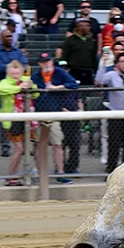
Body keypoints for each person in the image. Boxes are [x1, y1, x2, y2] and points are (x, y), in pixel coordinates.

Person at [31, 53, 79, 182]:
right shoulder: (35, 76)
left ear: (52, 62)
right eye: (43, 62)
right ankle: (41, 174)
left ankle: (60, 173)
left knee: (58, 144)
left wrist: (57, 88)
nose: (46, 64)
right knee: (38, 145)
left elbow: (73, 84)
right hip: (38, 114)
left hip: (54, 114)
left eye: (48, 61)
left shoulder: (59, 72)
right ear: (40, 64)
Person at [0, 59, 38, 185]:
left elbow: (35, 94)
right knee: (19, 149)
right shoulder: (4, 83)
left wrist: (30, 86)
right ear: (8, 73)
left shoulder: (25, 81)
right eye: (13, 74)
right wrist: (19, 87)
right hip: (13, 121)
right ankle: (10, 176)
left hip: (27, 120)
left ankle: (25, 173)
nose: (15, 76)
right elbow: (1, 89)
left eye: (17, 73)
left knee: (29, 148)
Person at [59, 18, 98, 85]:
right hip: (74, 70)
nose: (89, 28)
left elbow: (93, 56)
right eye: (86, 25)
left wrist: (95, 71)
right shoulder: (70, 40)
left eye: (89, 26)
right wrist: (64, 69)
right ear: (79, 26)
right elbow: (64, 56)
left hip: (88, 70)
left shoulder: (92, 41)